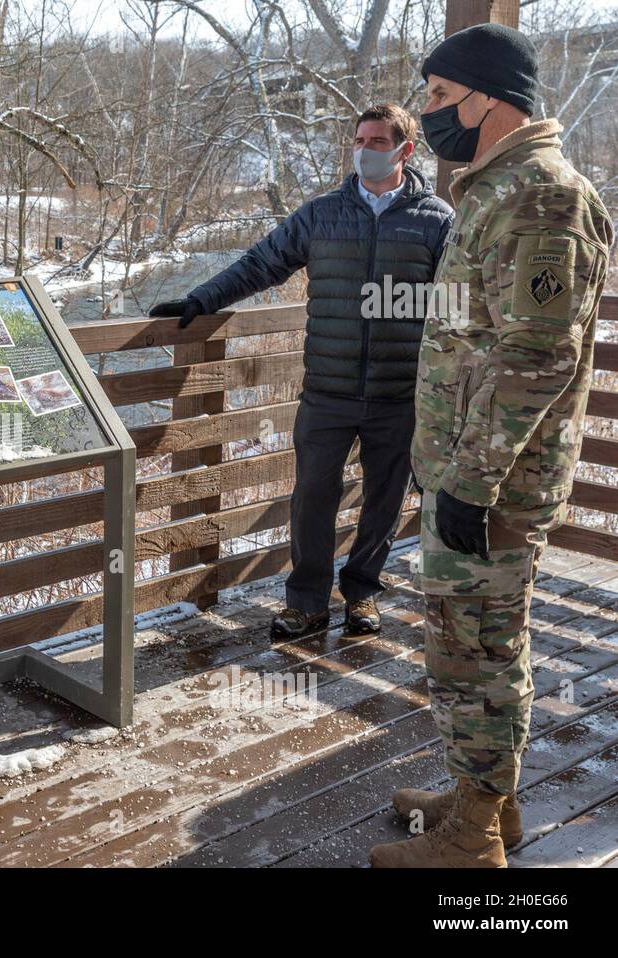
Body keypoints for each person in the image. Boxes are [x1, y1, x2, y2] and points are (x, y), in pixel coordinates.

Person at [370, 23, 613, 868]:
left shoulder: (541, 196)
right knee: (472, 637)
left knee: (474, 643)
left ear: (490, 98)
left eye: (439, 98)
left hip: (494, 482)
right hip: (470, 468)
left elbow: (534, 359)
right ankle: (485, 801)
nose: (430, 114)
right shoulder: (498, 189)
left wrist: (471, 481)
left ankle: (473, 840)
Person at [150, 105, 453, 641]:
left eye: (377, 141)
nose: (364, 149)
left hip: (399, 392)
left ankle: (362, 594)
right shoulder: (321, 214)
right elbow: (260, 264)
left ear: (406, 150)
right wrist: (201, 298)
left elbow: (457, 304)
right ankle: (307, 603)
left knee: (384, 499)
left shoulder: (436, 221)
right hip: (327, 390)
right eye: (358, 139)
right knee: (313, 494)